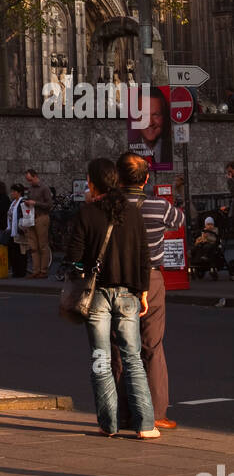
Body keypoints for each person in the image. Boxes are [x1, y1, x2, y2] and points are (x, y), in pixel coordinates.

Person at [65, 156, 157, 439]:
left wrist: (80, 277)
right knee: (133, 358)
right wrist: (142, 293)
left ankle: (109, 424)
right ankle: (145, 425)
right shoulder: (131, 213)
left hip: (97, 296)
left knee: (101, 358)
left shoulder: (86, 213)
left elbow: (74, 258)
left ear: (93, 183)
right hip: (129, 292)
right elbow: (144, 256)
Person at [112, 152, 184, 431]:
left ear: (117, 177)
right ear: (146, 179)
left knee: (119, 347)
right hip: (151, 279)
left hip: (116, 280)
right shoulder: (157, 206)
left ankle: (122, 413)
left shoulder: (107, 207)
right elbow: (178, 221)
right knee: (151, 346)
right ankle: (154, 413)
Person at [129, 87, 173, 170]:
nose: (150, 123)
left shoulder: (173, 150)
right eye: (144, 115)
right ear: (136, 117)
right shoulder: (128, 153)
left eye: (156, 115)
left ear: (164, 117)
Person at [23, 167, 53, 277]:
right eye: (28, 180)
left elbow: (49, 205)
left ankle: (43, 271)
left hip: (41, 217)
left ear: (35, 176)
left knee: (42, 245)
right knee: (33, 246)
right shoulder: (30, 189)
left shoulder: (44, 188)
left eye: (30, 179)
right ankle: (36, 270)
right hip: (32, 217)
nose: (29, 182)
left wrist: (35, 203)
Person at [6, 183, 29, 277]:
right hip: (12, 231)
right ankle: (16, 271)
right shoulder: (13, 203)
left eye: (13, 191)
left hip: (20, 230)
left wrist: (23, 226)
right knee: (13, 252)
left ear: (19, 192)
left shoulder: (22, 202)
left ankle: (21, 272)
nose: (12, 193)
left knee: (21, 252)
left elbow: (26, 215)